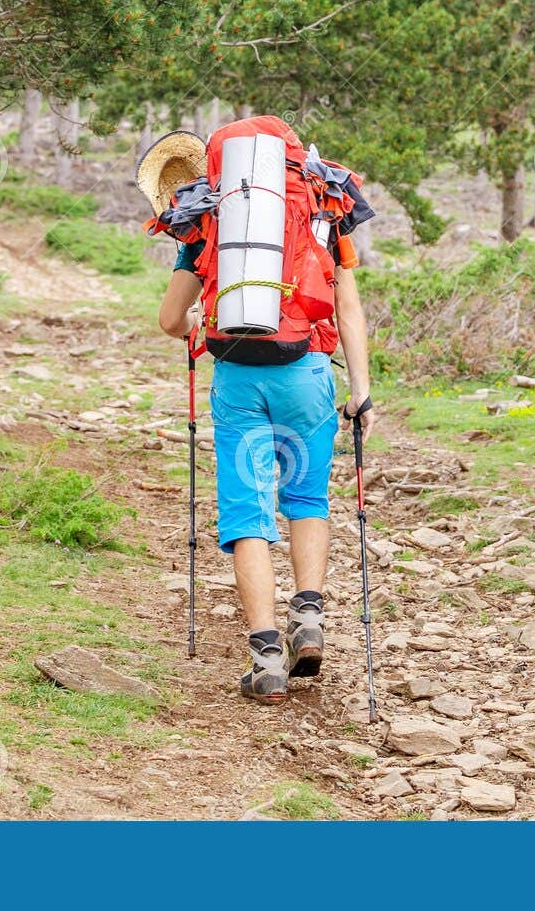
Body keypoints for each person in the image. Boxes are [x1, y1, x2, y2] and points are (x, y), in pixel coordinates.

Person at [153, 117, 375, 704]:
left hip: (238, 379)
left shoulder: (207, 216)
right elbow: (348, 309)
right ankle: (309, 615)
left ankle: (267, 657)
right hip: (307, 377)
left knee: (246, 511)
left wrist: (198, 317)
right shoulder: (325, 205)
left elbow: (171, 321)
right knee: (305, 498)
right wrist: (362, 391)